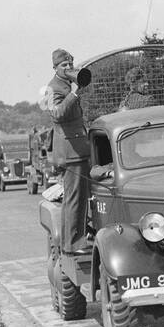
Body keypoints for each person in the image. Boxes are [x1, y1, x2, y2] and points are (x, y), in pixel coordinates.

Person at [43, 48, 91, 253]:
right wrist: (73, 93)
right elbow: (58, 114)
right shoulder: (53, 88)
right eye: (64, 65)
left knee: (80, 197)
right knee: (73, 198)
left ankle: (75, 240)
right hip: (70, 152)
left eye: (70, 64)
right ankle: (73, 243)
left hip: (77, 149)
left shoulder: (65, 84)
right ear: (55, 67)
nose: (69, 68)